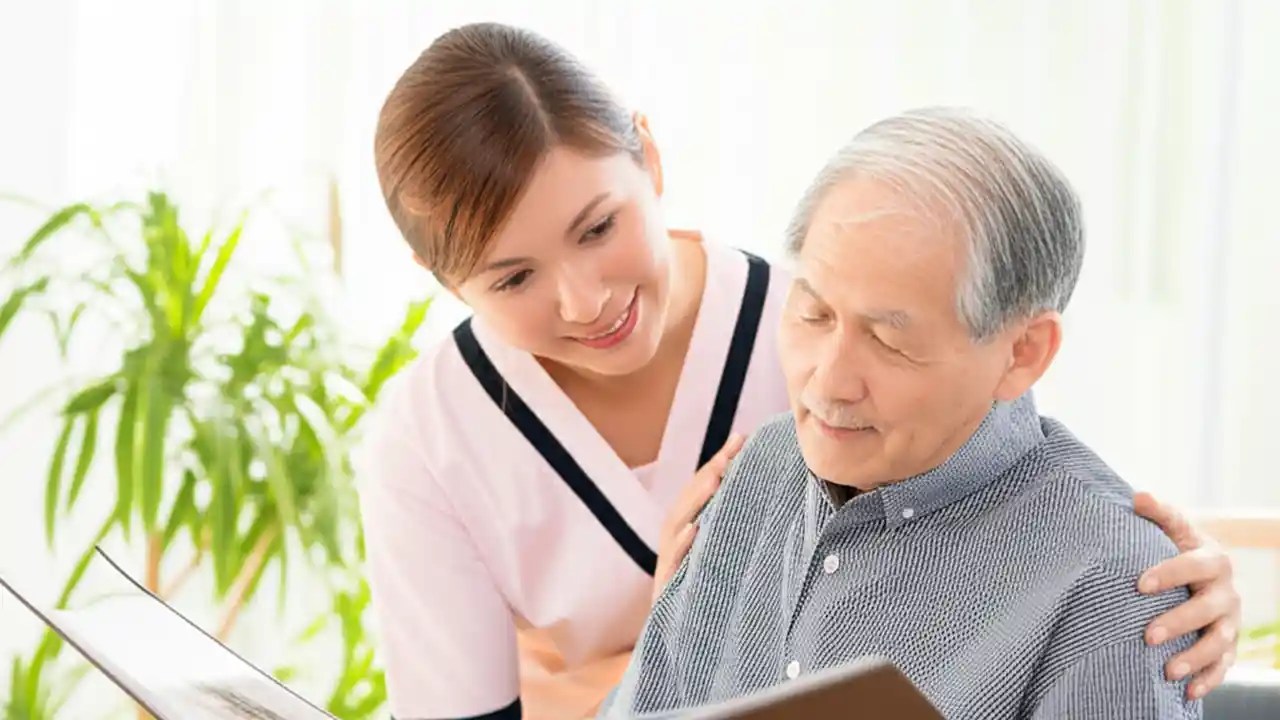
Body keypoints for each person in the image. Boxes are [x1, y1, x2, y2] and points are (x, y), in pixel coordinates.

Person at [356, 22, 1240, 720]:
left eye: (596, 228)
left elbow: (1009, 449)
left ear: (649, 160)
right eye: (513, 278)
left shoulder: (1103, 581)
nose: (826, 381)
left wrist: (1154, 576)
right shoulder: (753, 479)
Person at [601, 108, 1208, 720]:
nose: (828, 382)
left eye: (890, 342)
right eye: (814, 314)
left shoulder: (1113, 588)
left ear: (1022, 352)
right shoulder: (759, 467)